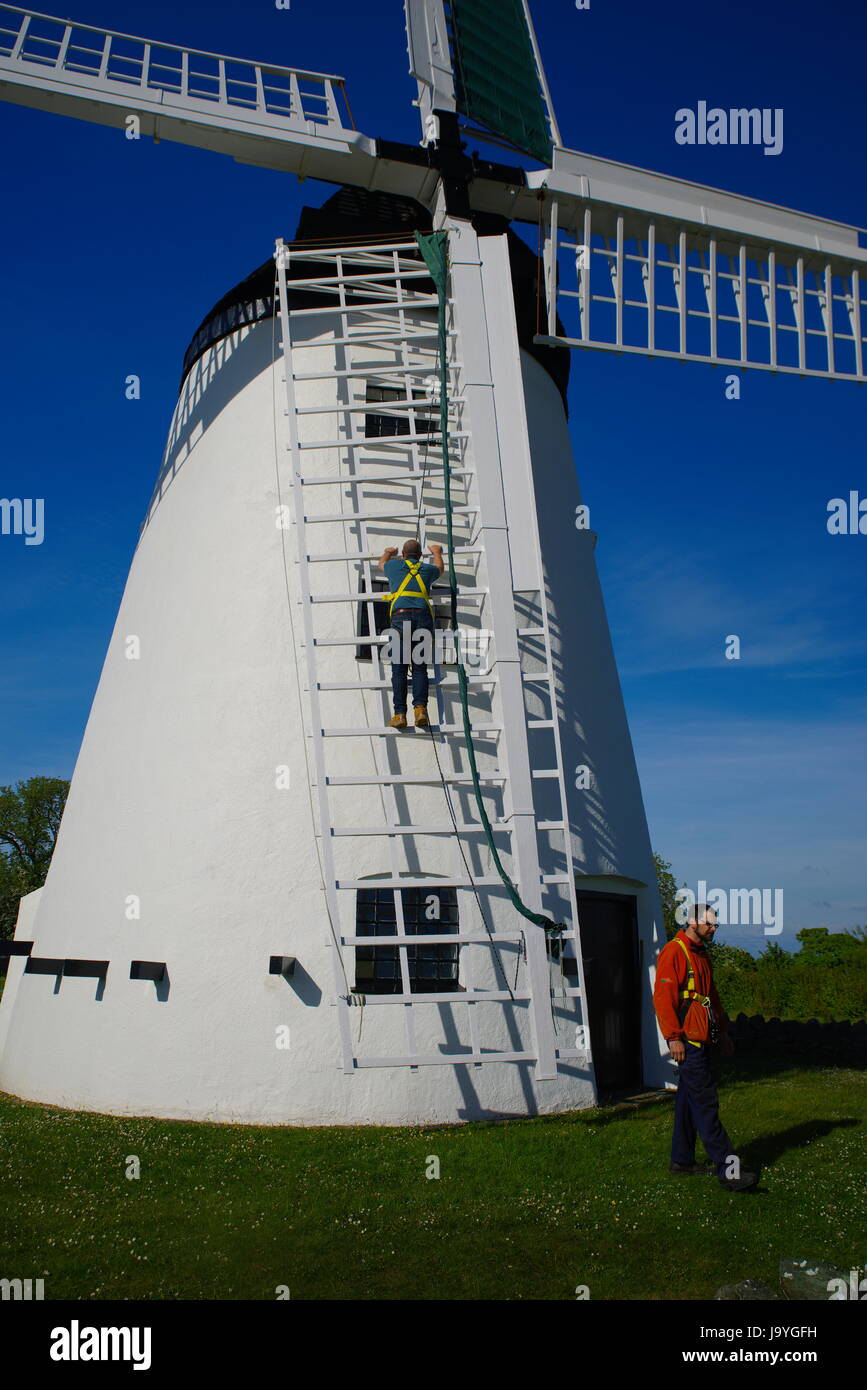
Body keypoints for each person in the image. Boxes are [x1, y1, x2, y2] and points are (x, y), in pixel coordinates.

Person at [653, 903, 758, 1192]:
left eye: (715, 925)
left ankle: (682, 1161)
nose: (714, 929)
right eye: (710, 924)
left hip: (703, 1037)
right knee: (706, 1106)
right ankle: (729, 1170)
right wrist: (673, 1037)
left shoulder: (701, 954)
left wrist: (723, 1032)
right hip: (688, 1041)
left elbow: (711, 995)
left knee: (689, 1102)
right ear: (693, 923)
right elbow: (663, 998)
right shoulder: (674, 951)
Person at [378, 539, 444, 730]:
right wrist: (437, 552)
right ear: (420, 556)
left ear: (403, 555)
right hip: (423, 619)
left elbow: (380, 564)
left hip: (400, 619)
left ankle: (400, 714)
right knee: (419, 668)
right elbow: (439, 568)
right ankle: (420, 709)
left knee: (398, 669)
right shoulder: (427, 570)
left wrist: (388, 551)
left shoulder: (393, 567)